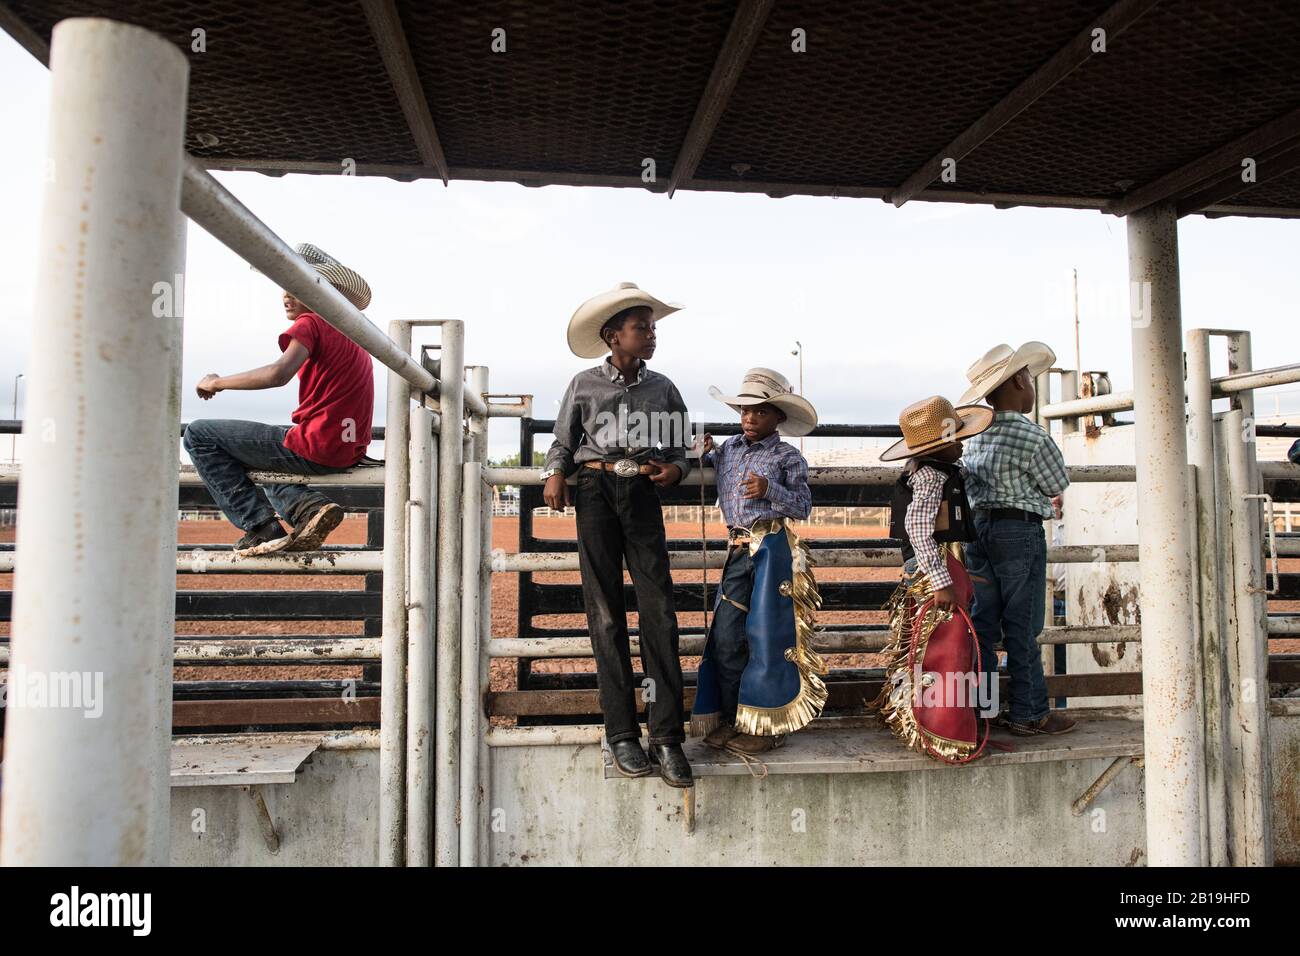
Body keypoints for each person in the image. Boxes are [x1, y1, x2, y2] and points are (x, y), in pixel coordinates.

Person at [541, 283, 693, 787]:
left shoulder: (664, 389)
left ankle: (667, 737)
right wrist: (554, 474)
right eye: (642, 328)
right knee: (604, 614)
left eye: (652, 328)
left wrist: (673, 471)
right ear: (613, 336)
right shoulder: (583, 385)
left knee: (659, 613)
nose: (652, 336)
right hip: (595, 493)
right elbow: (563, 440)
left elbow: (678, 454)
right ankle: (622, 733)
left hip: (643, 495)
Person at [184, 243, 374, 556]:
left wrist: (218, 382)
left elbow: (278, 374)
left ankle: (260, 526)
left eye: (296, 289)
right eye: (284, 288)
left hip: (319, 443)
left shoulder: (311, 322)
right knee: (265, 450)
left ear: (318, 294)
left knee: (199, 434)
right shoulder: (351, 333)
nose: (287, 296)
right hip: (349, 447)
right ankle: (307, 508)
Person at [690, 368, 827, 758]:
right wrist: (699, 452)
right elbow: (705, 457)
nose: (750, 418)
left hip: (772, 550)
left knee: (769, 636)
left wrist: (770, 489)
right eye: (745, 411)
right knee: (729, 635)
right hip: (738, 549)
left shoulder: (788, 457)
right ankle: (737, 716)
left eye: (760, 412)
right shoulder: (728, 449)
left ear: (778, 417)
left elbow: (802, 506)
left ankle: (767, 725)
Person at [958, 342, 1075, 736]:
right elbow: (1056, 483)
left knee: (983, 624)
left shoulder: (974, 434)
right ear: (1021, 382)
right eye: (1028, 378)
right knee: (1022, 625)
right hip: (1019, 531)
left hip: (978, 530)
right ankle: (1029, 711)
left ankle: (983, 710)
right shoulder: (1032, 436)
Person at [874, 394, 993, 762]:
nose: (961, 444)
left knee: (926, 644)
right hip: (936, 566)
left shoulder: (933, 472)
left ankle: (922, 719)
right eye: (955, 439)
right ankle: (944, 727)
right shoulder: (929, 478)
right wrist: (940, 581)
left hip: (933, 564)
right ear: (939, 448)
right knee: (947, 643)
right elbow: (918, 527)